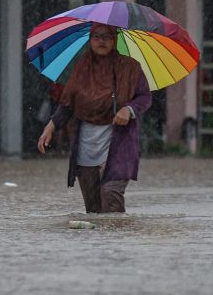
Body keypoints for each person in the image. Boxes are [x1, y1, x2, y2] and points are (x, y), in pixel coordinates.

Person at [37, 22, 151, 214]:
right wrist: (51, 126)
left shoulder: (130, 67)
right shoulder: (81, 68)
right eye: (96, 36)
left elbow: (145, 97)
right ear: (90, 40)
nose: (101, 41)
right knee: (93, 209)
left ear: (115, 40)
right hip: (86, 145)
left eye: (107, 37)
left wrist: (128, 109)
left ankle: (117, 234)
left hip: (118, 143)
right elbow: (68, 104)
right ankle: (101, 236)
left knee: (110, 194)